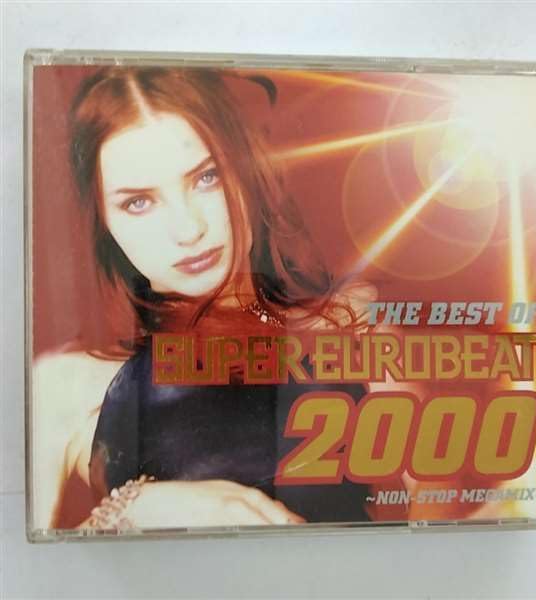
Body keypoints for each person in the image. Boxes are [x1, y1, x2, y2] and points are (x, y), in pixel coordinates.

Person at [32, 66, 377, 531]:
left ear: (246, 171)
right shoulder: (66, 384)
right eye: (138, 202)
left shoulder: (347, 324)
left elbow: (438, 525)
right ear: (103, 224)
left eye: (207, 177)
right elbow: (23, 564)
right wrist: (134, 511)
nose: (188, 228)